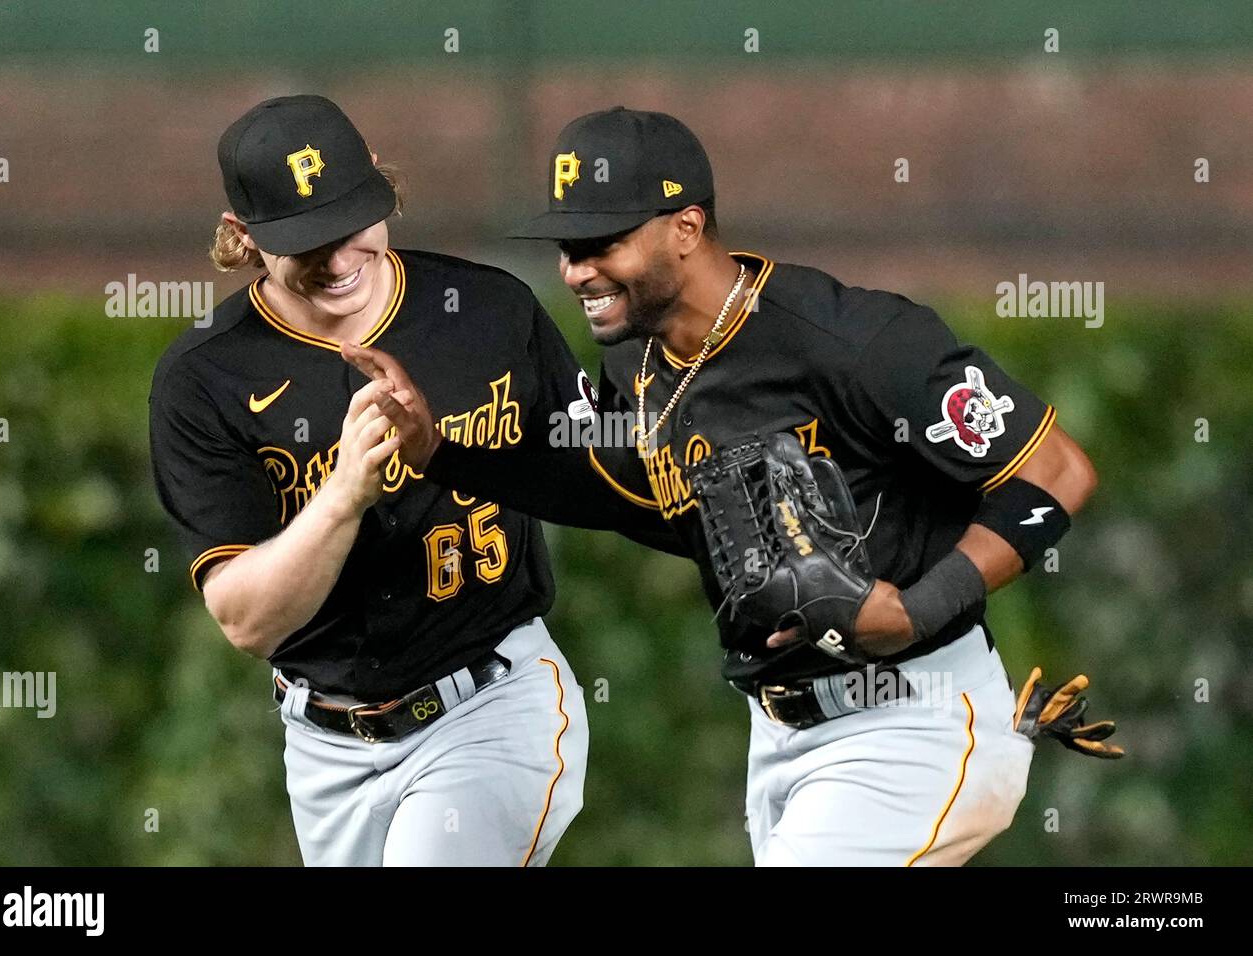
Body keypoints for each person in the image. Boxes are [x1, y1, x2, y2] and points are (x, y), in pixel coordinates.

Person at [344, 107, 1107, 866]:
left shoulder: (856, 343)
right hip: (778, 737)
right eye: (568, 248)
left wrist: (914, 611)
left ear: (686, 226)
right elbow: (621, 493)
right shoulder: (636, 365)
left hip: (913, 720)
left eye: (602, 244)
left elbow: (1056, 473)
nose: (576, 271)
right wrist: (441, 451)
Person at [148, 95, 669, 866]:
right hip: (324, 752)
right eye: (303, 240)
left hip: (493, 705)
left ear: (383, 193)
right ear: (241, 238)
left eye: (349, 223)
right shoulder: (206, 380)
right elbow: (247, 621)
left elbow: (608, 473)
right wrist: (346, 494)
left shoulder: (487, 310)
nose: (335, 258)